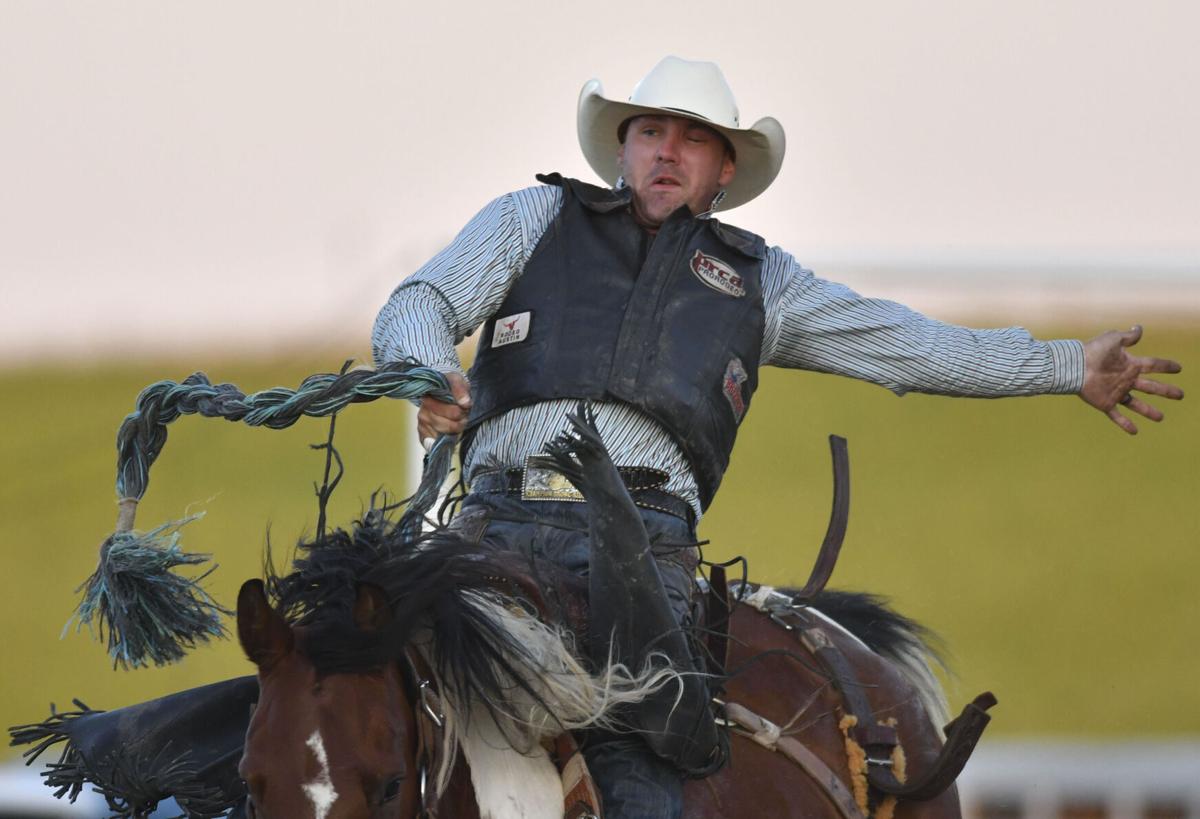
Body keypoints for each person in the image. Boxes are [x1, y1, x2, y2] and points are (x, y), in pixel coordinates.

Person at [371, 56, 1183, 817]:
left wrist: (1068, 364)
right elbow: (419, 302)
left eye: (694, 138)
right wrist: (425, 370)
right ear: (621, 147)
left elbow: (911, 344)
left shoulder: (768, 284)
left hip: (642, 559)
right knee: (352, 692)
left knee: (642, 783)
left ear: (725, 171)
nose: (667, 151)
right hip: (491, 532)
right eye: (651, 131)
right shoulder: (531, 216)